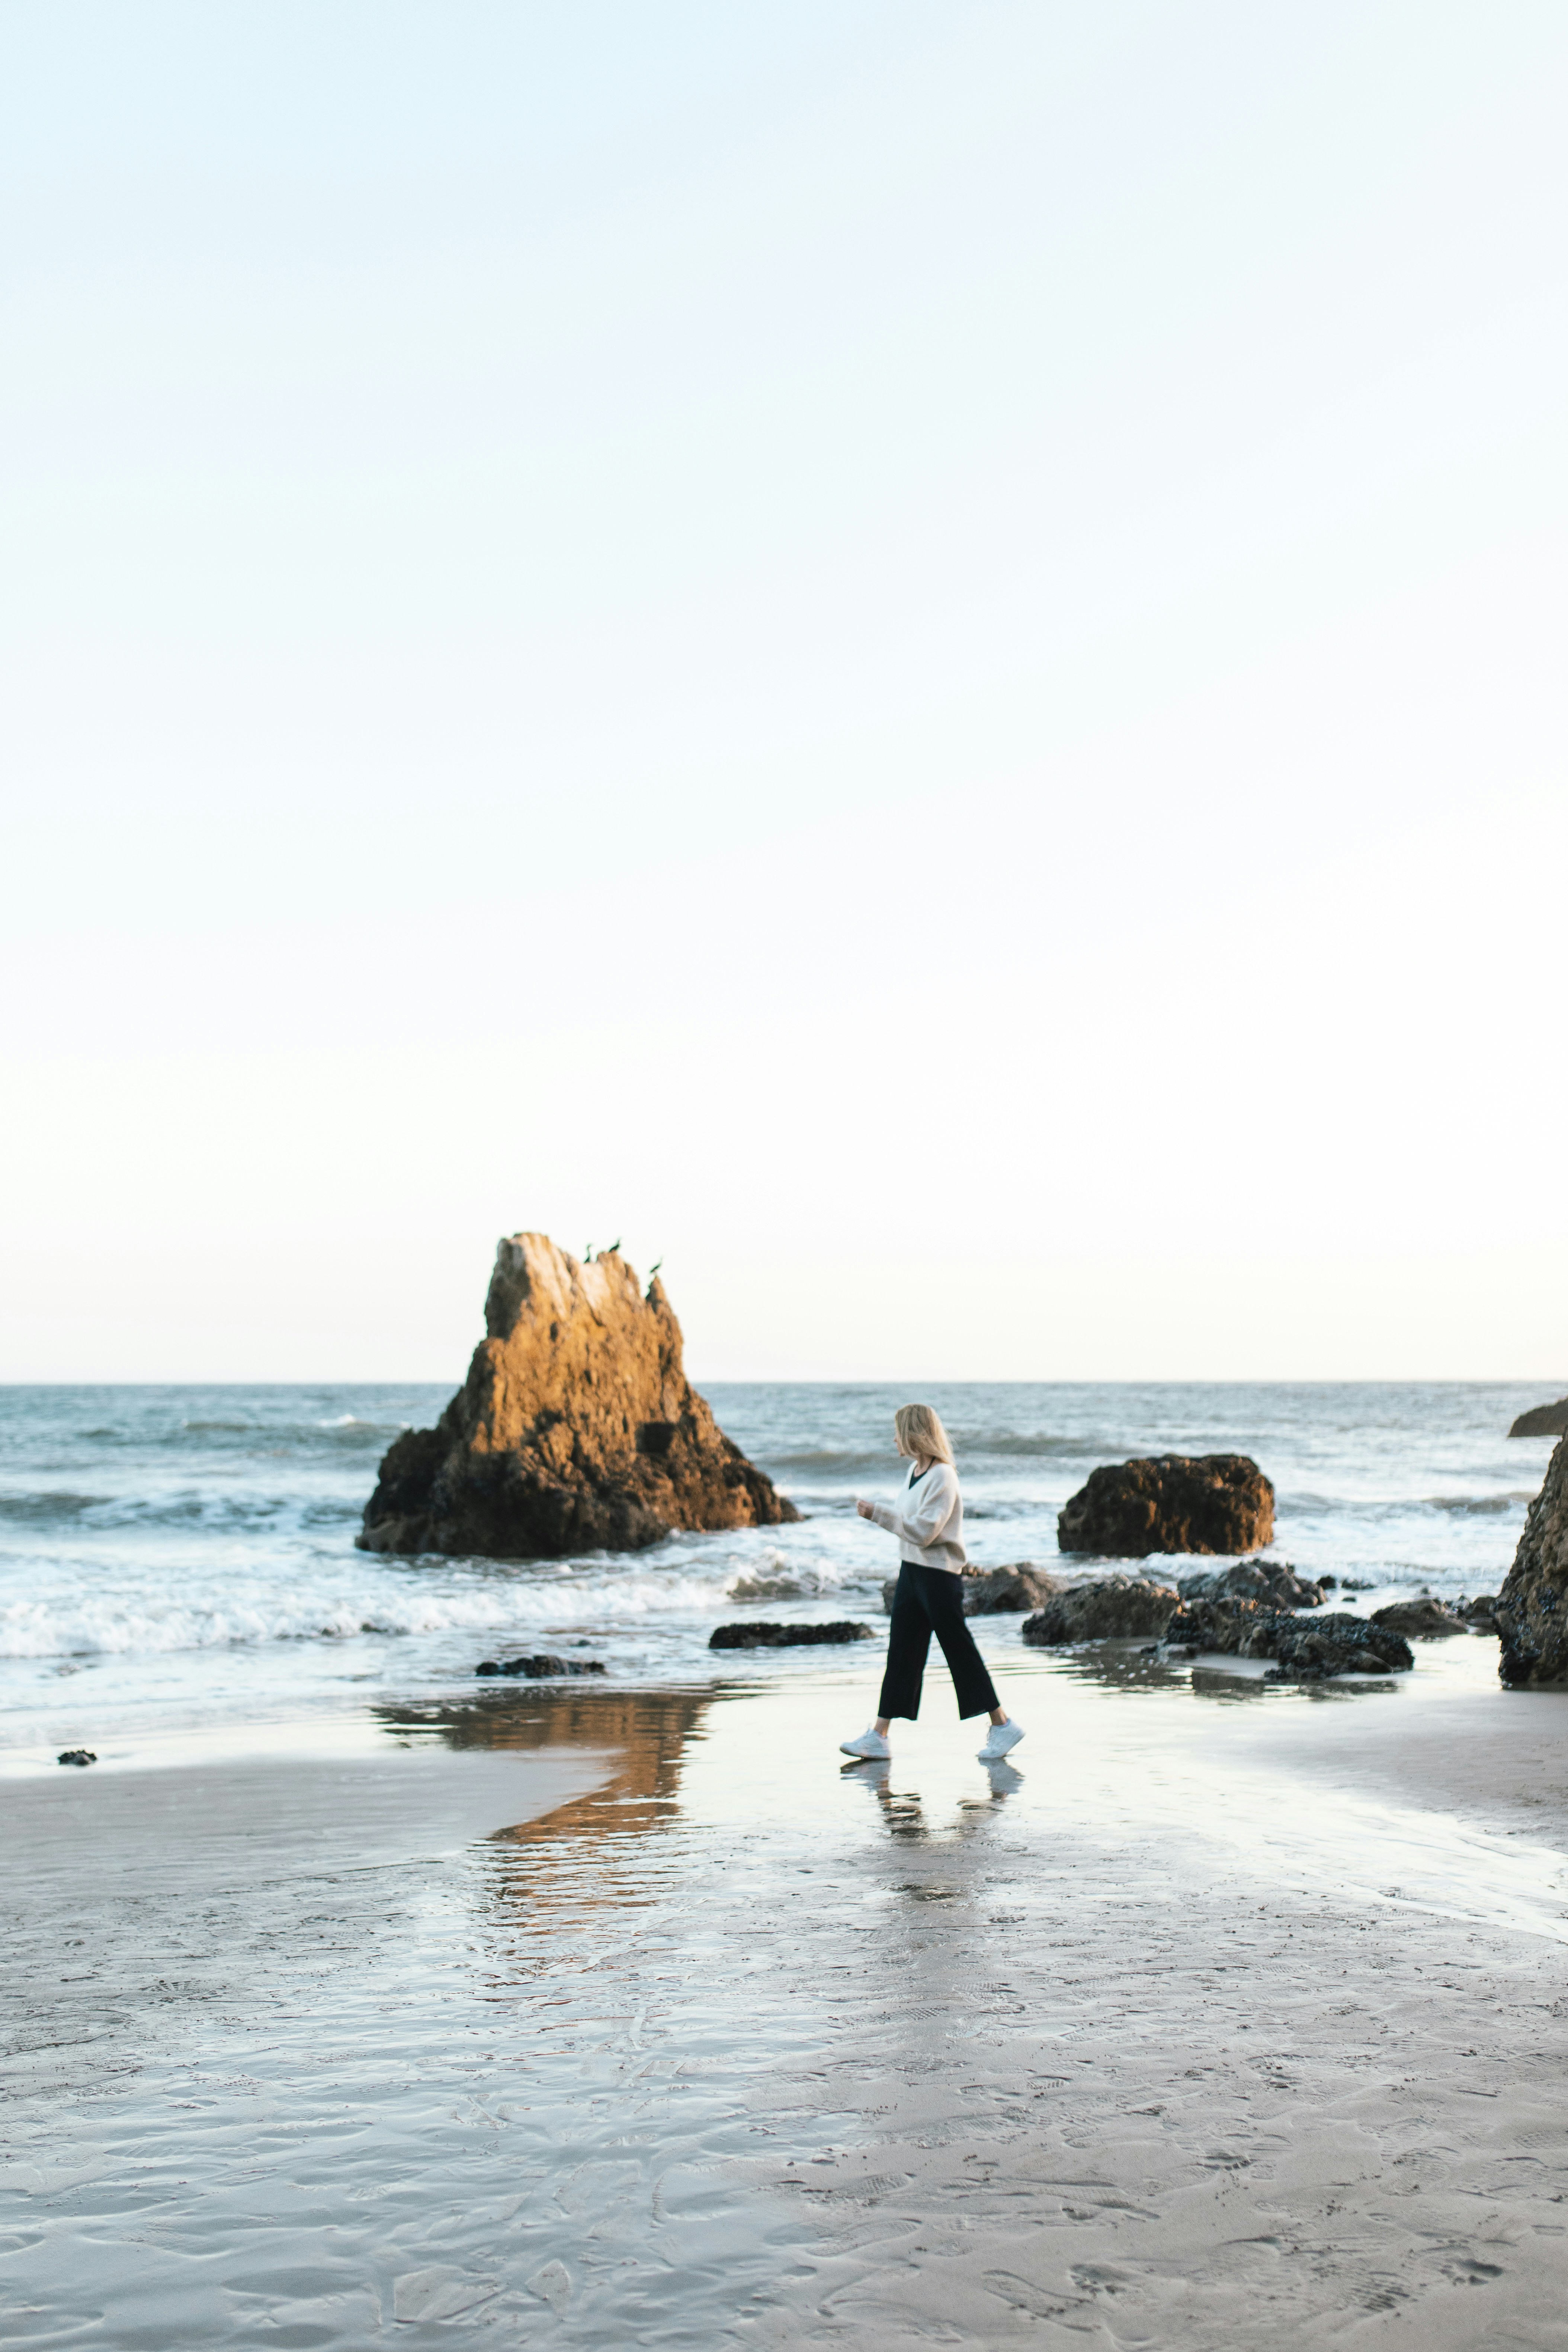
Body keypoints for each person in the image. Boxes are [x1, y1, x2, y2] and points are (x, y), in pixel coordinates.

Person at [840, 1403, 1024, 1764]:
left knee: (959, 1650)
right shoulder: (914, 1471)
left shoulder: (944, 1476)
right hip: (911, 1571)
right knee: (902, 1653)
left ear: (913, 1433)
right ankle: (879, 1736)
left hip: (939, 1576)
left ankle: (1003, 1725)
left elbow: (925, 1531)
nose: (894, 1439)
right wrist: (884, 1515)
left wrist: (877, 1513)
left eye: (898, 1432)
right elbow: (908, 1522)